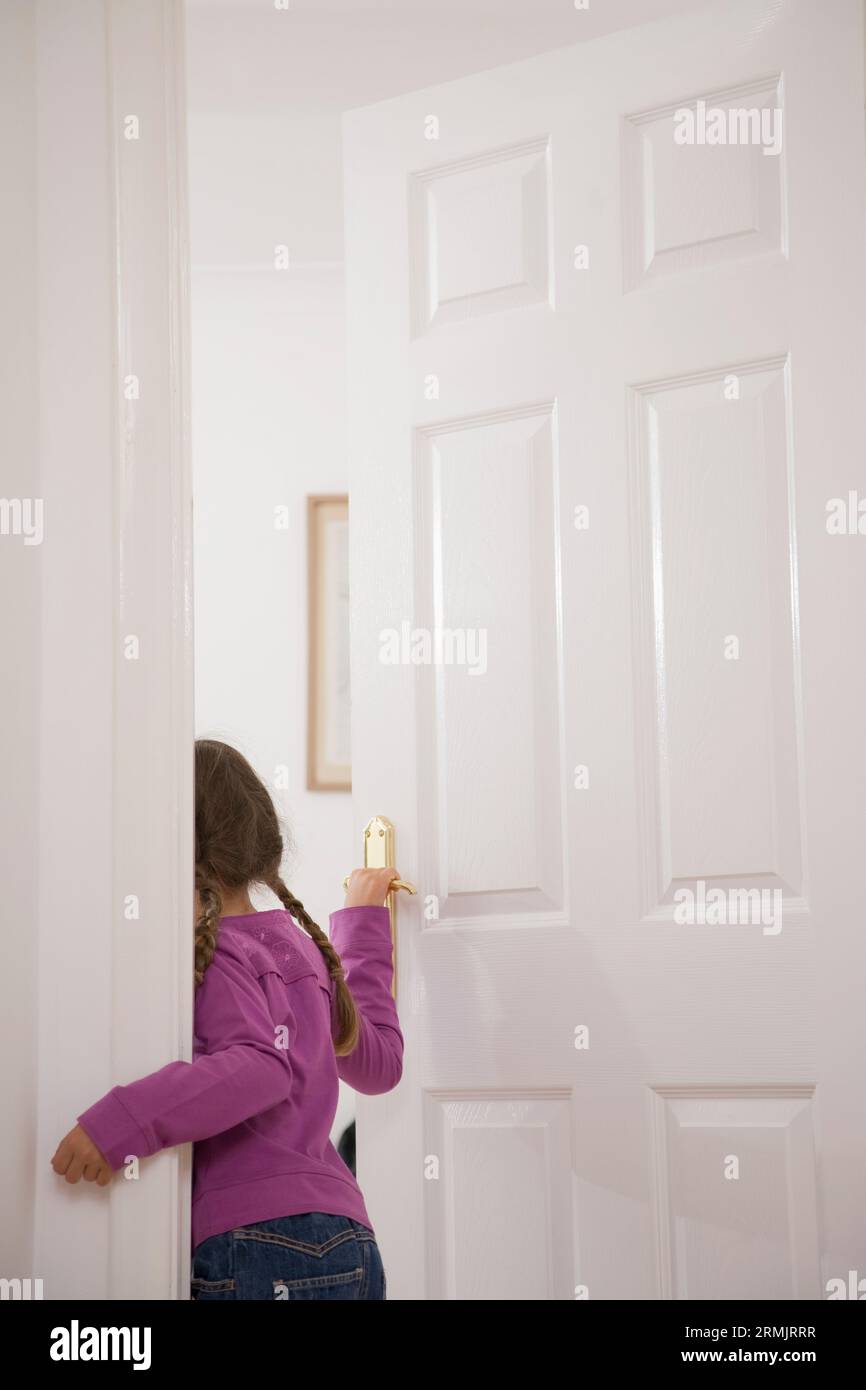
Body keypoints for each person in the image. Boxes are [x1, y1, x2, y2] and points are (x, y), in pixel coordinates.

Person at [50, 738, 403, 1301]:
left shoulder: (214, 953)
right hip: (350, 1241)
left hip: (260, 1244)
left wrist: (118, 1124)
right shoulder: (303, 947)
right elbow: (379, 1065)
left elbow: (260, 1069)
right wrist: (363, 921)